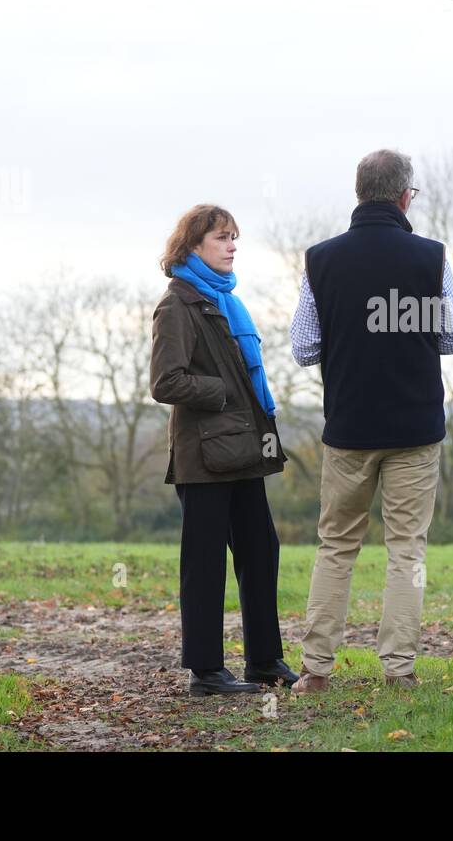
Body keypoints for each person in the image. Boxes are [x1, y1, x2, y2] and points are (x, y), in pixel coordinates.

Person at [288, 149, 453, 692]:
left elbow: (303, 345)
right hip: (414, 429)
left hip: (348, 426)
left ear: (359, 193)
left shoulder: (321, 259)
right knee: (406, 548)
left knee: (336, 545)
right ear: (405, 196)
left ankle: (316, 670)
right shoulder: (431, 257)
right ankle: (399, 670)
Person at [149, 204, 297, 695]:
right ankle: (206, 670)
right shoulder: (178, 304)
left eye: (234, 238)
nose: (233, 246)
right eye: (222, 238)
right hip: (203, 456)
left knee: (260, 551)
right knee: (205, 560)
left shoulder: (224, 301)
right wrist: (221, 392)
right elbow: (165, 381)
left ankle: (264, 660)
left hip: (243, 452)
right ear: (193, 246)